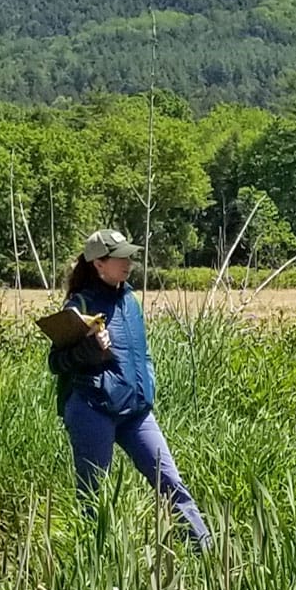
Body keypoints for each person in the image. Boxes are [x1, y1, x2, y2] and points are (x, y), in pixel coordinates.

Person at [47, 229, 212, 549]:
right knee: (93, 495)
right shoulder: (78, 306)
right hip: (92, 410)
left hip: (136, 411)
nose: (128, 262)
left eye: (129, 256)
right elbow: (56, 363)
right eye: (120, 257)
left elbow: (142, 352)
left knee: (171, 482)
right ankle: (94, 560)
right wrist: (91, 349)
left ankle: (206, 553)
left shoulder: (130, 300)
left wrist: (147, 383)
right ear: (99, 264)